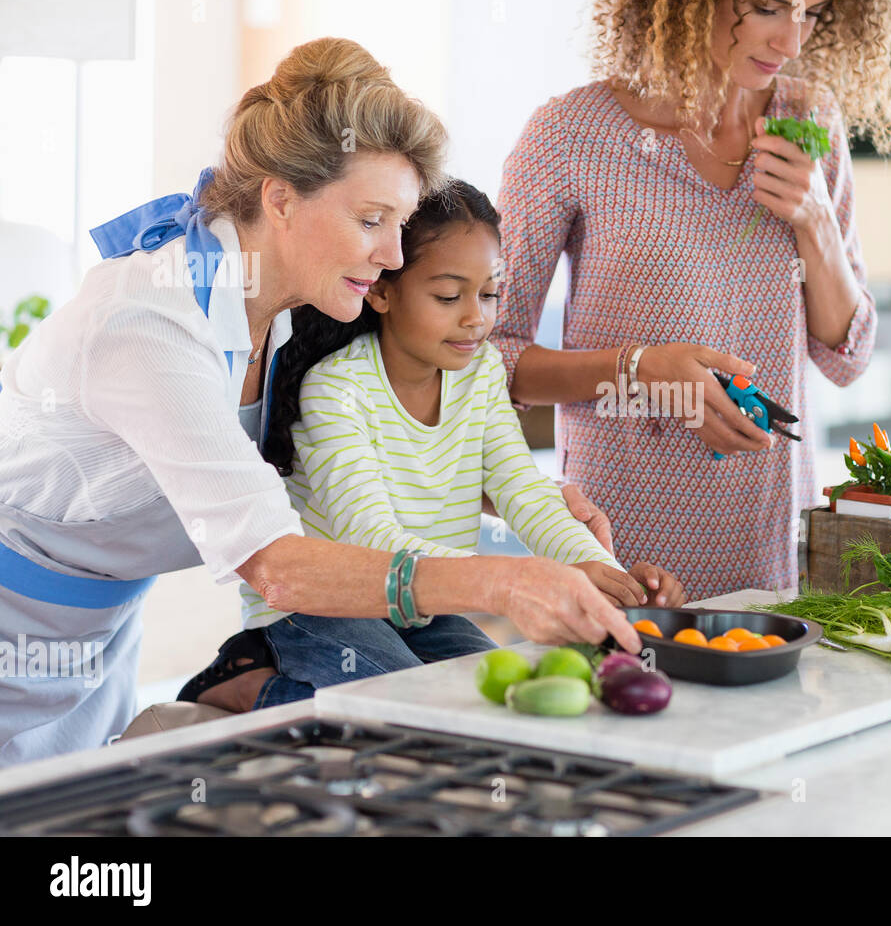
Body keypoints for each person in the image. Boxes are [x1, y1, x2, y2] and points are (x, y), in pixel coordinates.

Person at [0, 37, 640, 766]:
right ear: (279, 198)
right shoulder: (146, 323)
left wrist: (523, 508)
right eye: (372, 221)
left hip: (95, 632)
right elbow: (279, 567)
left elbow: (328, 462)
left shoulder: (287, 308)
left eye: (401, 224)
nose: (395, 255)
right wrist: (504, 578)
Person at [491, 0, 891, 598]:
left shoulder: (808, 121)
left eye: (813, 15)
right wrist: (639, 371)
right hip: (616, 549)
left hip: (770, 549)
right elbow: (488, 361)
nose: (792, 41)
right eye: (769, 7)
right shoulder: (571, 135)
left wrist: (817, 219)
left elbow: (846, 357)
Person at [219, 179, 683, 707]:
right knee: (414, 707)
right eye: (447, 296)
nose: (475, 318)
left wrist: (604, 576)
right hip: (323, 607)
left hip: (427, 606)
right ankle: (245, 685)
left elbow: (522, 491)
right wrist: (518, 578)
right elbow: (371, 539)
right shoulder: (338, 387)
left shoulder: (481, 372)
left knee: (490, 700)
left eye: (489, 294)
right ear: (381, 289)